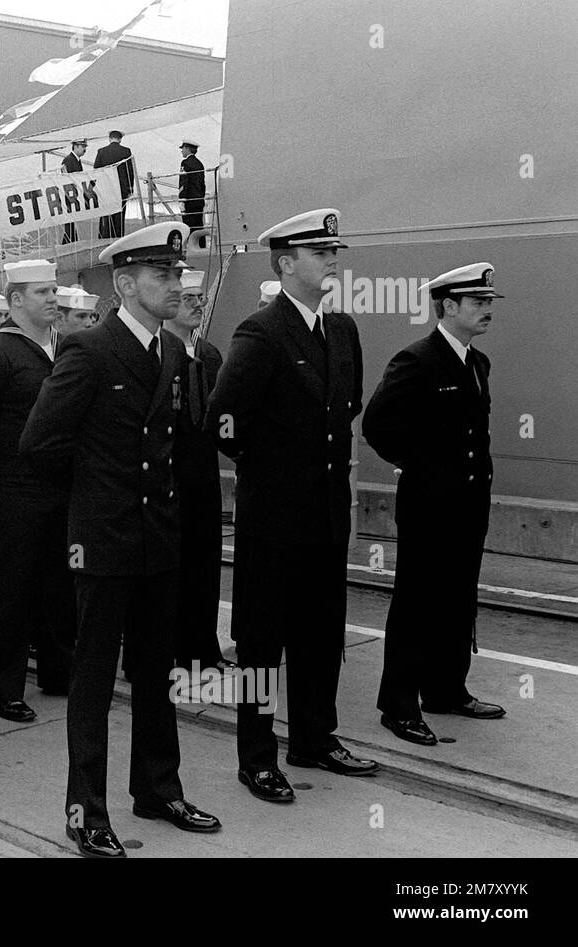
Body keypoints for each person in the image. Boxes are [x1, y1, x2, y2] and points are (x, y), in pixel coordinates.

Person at [22, 224, 221, 857]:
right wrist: (93, 502)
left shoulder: (169, 352)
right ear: (124, 283)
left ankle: (158, 787)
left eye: (177, 274)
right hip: (104, 543)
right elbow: (38, 445)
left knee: (158, 671)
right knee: (94, 679)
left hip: (157, 540)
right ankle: (86, 808)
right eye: (162, 275)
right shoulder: (89, 350)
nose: (176, 284)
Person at [207, 208, 378, 804]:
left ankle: (314, 738)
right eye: (320, 252)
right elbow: (222, 421)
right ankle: (256, 757)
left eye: (334, 250)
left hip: (325, 517)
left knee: (320, 635)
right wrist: (271, 467)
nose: (333, 258)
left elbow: (345, 409)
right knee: (261, 643)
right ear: (286, 264)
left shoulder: (343, 331)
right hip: (273, 522)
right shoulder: (261, 332)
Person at [363, 262, 505, 746]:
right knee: (417, 603)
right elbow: (377, 425)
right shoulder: (417, 360)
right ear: (448, 306)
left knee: (458, 597)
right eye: (478, 303)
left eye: (489, 303)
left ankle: (447, 689)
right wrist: (419, 466)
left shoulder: (477, 363)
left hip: (469, 504)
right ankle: (398, 704)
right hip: (429, 505)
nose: (487, 310)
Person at [0, 259, 74, 723]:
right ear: (16, 301)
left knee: (60, 585)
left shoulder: (64, 349)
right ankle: (2, 688)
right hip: (10, 490)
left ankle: (59, 671)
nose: (53, 299)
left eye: (53, 290)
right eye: (42, 292)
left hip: (60, 488)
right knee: (9, 591)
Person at [163, 269, 232, 672]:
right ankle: (173, 651)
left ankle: (205, 649)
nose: (196, 304)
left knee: (205, 567)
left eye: (199, 297)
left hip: (204, 478)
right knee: (172, 571)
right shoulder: (161, 354)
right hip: (170, 480)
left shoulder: (208, 355)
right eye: (187, 297)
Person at [92, 130, 135, 239]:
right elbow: (130, 172)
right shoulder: (126, 151)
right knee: (119, 218)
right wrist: (130, 189)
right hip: (121, 191)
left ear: (109, 138)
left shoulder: (101, 152)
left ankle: (105, 240)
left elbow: (96, 171)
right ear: (120, 139)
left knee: (107, 217)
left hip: (106, 190)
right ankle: (118, 240)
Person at [61, 139, 88, 244]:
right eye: (82, 147)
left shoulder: (76, 160)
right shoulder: (68, 160)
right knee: (69, 225)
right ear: (75, 147)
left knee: (71, 225)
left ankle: (70, 242)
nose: (85, 149)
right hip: (69, 196)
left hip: (74, 196)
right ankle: (68, 244)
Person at [179, 140, 205, 231]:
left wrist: (182, 199)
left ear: (187, 149)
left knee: (188, 228)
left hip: (189, 200)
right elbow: (202, 184)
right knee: (198, 227)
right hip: (199, 200)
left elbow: (184, 182)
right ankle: (200, 245)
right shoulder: (200, 164)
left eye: (183, 148)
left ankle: (190, 245)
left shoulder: (185, 163)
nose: (181, 151)